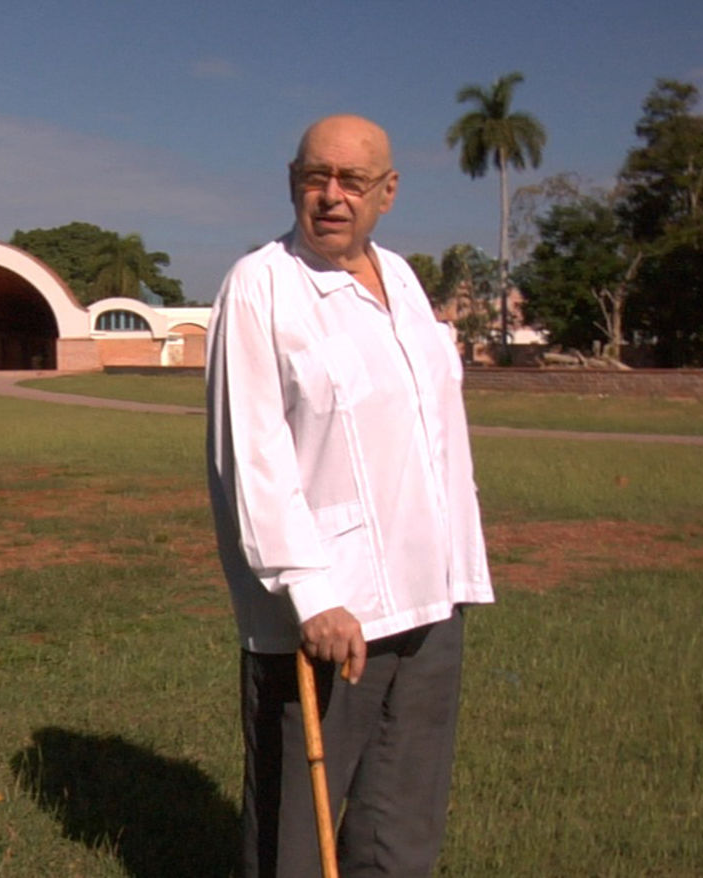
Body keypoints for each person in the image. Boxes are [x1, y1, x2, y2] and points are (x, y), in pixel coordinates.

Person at [205, 114, 495, 877]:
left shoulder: (400, 279)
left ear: (387, 193)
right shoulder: (260, 286)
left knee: (402, 830)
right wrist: (311, 593)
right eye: (315, 177)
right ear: (293, 181)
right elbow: (252, 453)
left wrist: (456, 573)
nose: (331, 196)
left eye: (352, 181)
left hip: (429, 600)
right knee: (296, 842)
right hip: (326, 618)